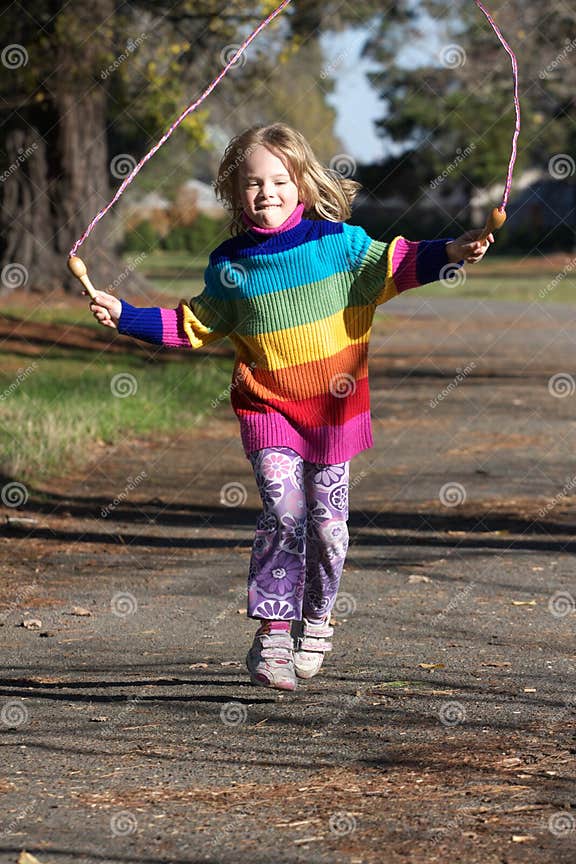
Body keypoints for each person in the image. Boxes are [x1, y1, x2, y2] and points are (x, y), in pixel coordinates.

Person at [88, 122, 494, 692]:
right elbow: (193, 323)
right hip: (269, 410)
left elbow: (398, 262)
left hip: (333, 415)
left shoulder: (340, 245)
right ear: (234, 191)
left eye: (279, 180)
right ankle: (274, 633)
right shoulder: (230, 264)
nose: (267, 193)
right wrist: (125, 315)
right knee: (284, 513)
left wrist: (452, 250)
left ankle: (317, 619)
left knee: (329, 530)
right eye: (253, 183)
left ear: (301, 183)